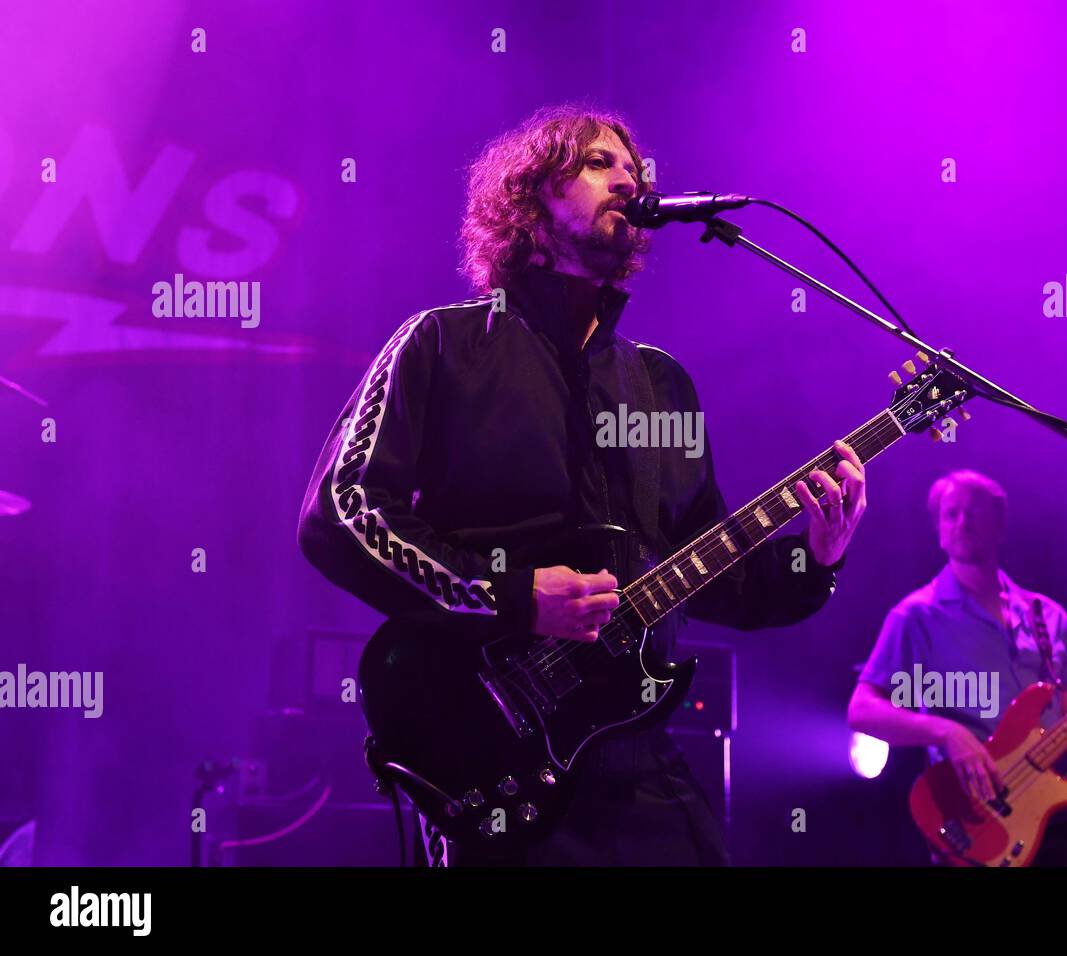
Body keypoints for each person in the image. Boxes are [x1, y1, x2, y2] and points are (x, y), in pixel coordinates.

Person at [297, 104, 868, 865]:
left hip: (638, 762)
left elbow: (719, 577)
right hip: (494, 755)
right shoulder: (443, 344)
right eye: (600, 163)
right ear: (529, 198)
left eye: (635, 169)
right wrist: (511, 597)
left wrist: (816, 558)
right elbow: (342, 513)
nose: (627, 178)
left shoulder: (661, 385)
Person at [847, 469, 1067, 866]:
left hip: (1057, 821)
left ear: (1000, 527)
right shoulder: (915, 615)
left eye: (974, 513)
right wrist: (946, 732)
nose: (961, 522)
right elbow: (862, 710)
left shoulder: (1049, 615)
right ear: (939, 531)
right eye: (951, 514)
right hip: (975, 821)